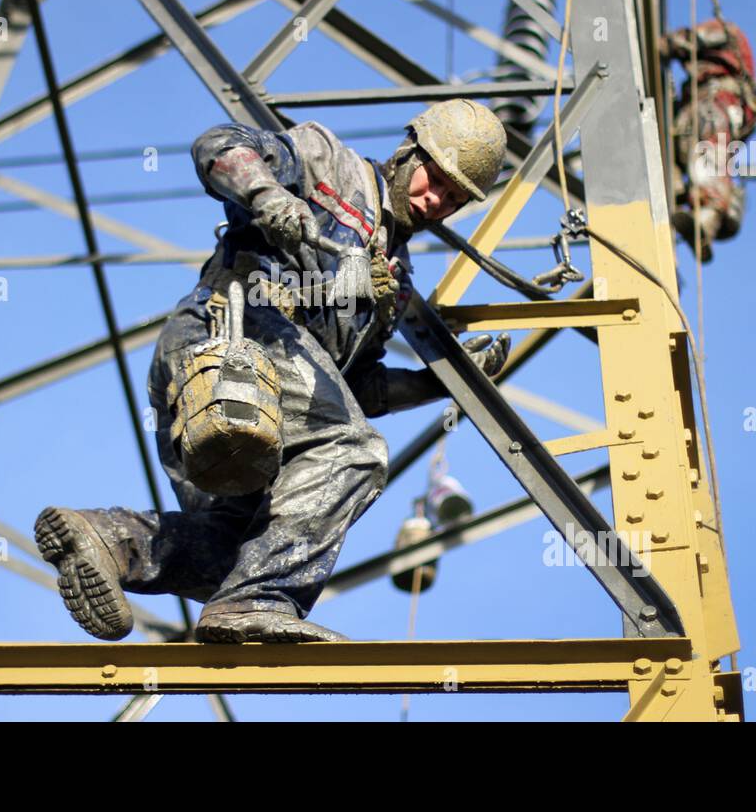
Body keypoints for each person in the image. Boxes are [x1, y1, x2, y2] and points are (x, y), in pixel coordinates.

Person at [36, 99, 513, 644]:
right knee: (353, 452)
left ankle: (107, 541)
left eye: (453, 200)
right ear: (408, 153)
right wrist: (270, 196)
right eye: (435, 180)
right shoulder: (328, 163)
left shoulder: (392, 281)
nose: (435, 202)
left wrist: (438, 382)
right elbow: (218, 146)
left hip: (243, 384)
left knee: (236, 551)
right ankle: (258, 603)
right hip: (233, 336)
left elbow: (355, 390)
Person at [660, 19, 756, 262]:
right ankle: (683, 197)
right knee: (682, 153)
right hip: (696, 107)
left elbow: (694, 38)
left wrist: (666, 44)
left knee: (709, 151)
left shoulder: (729, 32)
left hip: (714, 102)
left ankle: (708, 214)